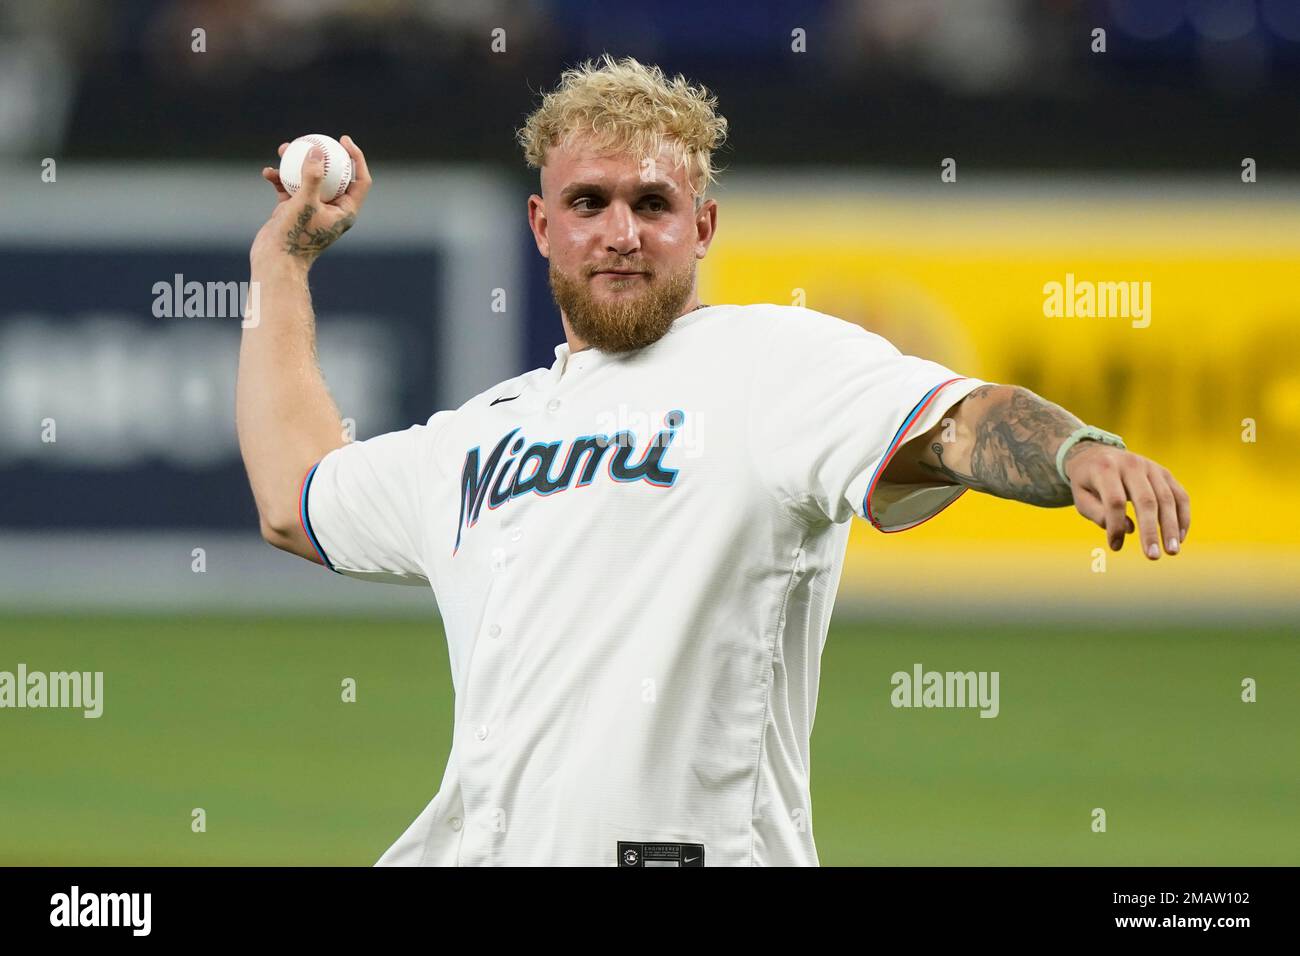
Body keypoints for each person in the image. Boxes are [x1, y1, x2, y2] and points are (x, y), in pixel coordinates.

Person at [237, 54, 1190, 866]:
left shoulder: (772, 366)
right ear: (540, 226)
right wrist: (281, 265)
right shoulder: (480, 434)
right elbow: (296, 497)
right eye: (588, 202)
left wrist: (1073, 451)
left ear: (702, 227)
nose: (620, 231)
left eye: (653, 203)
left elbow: (959, 420)